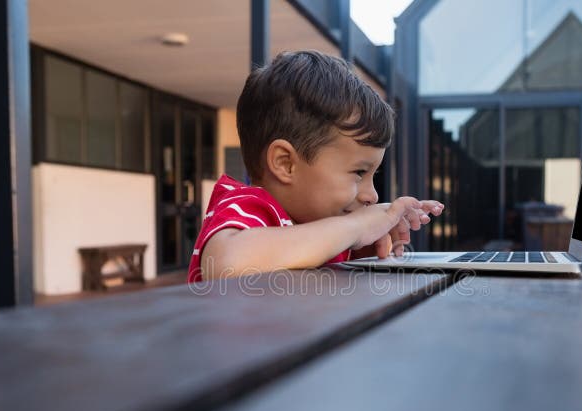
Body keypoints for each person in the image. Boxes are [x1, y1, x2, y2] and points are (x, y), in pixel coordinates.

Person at [187, 50, 443, 282]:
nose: (372, 195)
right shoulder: (247, 208)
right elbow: (225, 264)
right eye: (359, 173)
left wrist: (379, 241)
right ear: (285, 163)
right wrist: (357, 227)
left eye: (373, 175)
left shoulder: (322, 223)